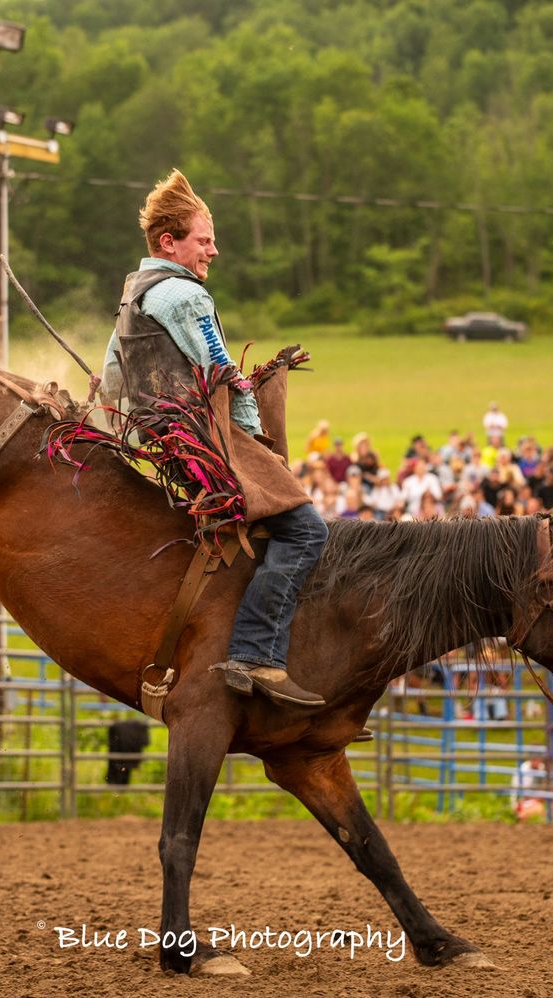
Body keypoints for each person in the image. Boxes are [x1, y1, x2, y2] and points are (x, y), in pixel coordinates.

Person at [100, 169, 327, 707]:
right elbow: (224, 373)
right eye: (204, 240)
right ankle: (256, 653)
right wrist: (263, 451)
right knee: (307, 532)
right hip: (209, 444)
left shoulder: (135, 294)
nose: (214, 251)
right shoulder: (185, 298)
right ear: (168, 243)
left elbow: (112, 383)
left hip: (165, 442)